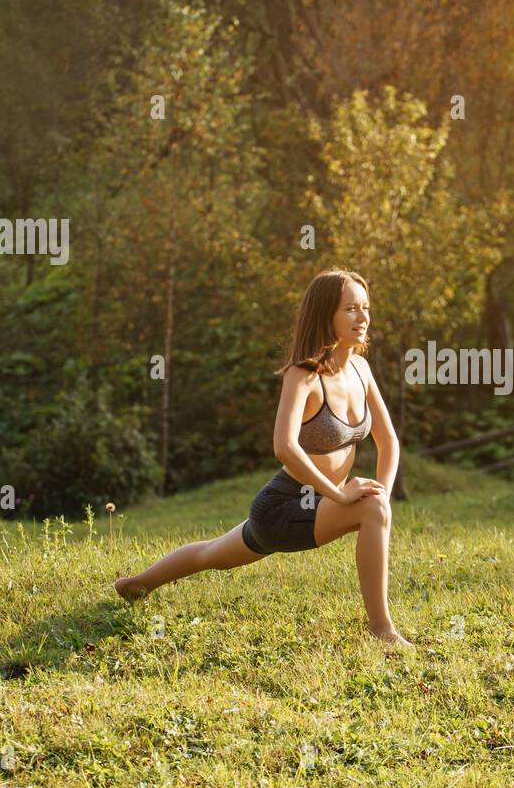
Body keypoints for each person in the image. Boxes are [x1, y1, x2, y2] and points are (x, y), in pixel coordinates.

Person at [115, 268, 412, 648]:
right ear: (326, 315)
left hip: (315, 502)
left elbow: (389, 441)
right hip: (284, 505)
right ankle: (381, 629)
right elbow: (284, 447)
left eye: (365, 307)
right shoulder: (302, 376)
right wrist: (341, 496)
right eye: (350, 308)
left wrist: (382, 493)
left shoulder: (361, 368)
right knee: (371, 510)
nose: (363, 317)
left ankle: (137, 584)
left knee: (212, 554)